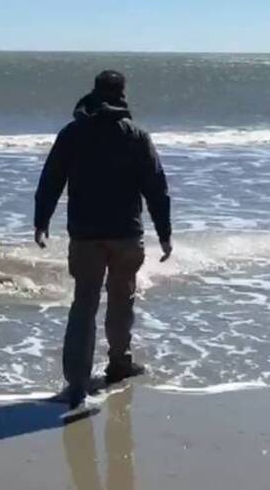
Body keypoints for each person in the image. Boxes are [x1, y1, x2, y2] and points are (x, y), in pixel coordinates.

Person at [34, 70, 172, 407]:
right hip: (126, 234)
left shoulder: (73, 133)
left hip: (85, 235)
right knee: (122, 301)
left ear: (94, 92)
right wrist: (164, 234)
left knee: (84, 304)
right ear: (123, 93)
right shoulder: (136, 135)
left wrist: (41, 220)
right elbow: (156, 187)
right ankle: (119, 364)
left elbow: (51, 178)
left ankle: (77, 383)